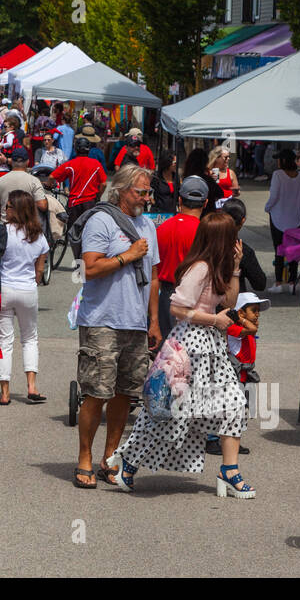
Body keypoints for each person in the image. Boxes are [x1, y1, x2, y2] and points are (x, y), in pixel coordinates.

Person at [106, 211, 251, 496]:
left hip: (212, 346)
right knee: (173, 411)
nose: (237, 242)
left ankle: (229, 470)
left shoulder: (218, 267)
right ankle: (130, 462)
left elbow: (230, 303)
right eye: (232, 237)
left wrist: (235, 267)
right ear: (221, 239)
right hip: (191, 346)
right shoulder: (200, 268)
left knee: (233, 403)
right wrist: (213, 320)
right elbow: (176, 308)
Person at [71, 165, 160, 489]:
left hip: (135, 323)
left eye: (149, 192)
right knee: (96, 392)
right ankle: (84, 457)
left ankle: (110, 458)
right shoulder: (101, 221)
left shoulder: (148, 226)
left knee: (125, 393)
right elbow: (88, 269)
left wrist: (154, 321)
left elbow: (155, 278)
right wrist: (127, 255)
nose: (147, 198)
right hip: (102, 320)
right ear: (121, 190)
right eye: (141, 192)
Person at [0, 189, 49, 405]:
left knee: (4, 341)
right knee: (30, 338)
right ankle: (31, 386)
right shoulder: (38, 235)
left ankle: (5, 392)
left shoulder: (1, 231)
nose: (5, 209)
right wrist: (33, 280)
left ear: (17, 209)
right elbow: (40, 269)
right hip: (28, 290)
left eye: (9, 206)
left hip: (4, 290)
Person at [154, 176, 208, 339]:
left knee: (167, 356)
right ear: (205, 203)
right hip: (195, 299)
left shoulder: (161, 228)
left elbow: (153, 272)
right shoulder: (205, 232)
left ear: (179, 200)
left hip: (166, 296)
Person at [264, 149, 300, 293]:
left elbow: (274, 196)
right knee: (293, 251)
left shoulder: (278, 175)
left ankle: (278, 283)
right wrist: (297, 206)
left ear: (282, 161)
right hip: (295, 219)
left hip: (278, 218)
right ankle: (292, 282)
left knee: (279, 250)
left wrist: (268, 208)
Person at [50, 138, 107, 256]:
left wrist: (49, 184)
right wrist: (98, 196)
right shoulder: (96, 164)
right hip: (90, 204)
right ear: (89, 149)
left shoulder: (70, 164)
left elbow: (52, 176)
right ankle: (88, 257)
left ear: (76, 149)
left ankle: (78, 260)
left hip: (74, 203)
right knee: (90, 233)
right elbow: (104, 184)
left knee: (73, 235)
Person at [0, 148, 47, 222]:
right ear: (28, 162)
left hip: (6, 226)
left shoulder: (0, 181)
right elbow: (42, 205)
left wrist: (0, 222)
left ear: (12, 161)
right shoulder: (34, 181)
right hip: (27, 227)